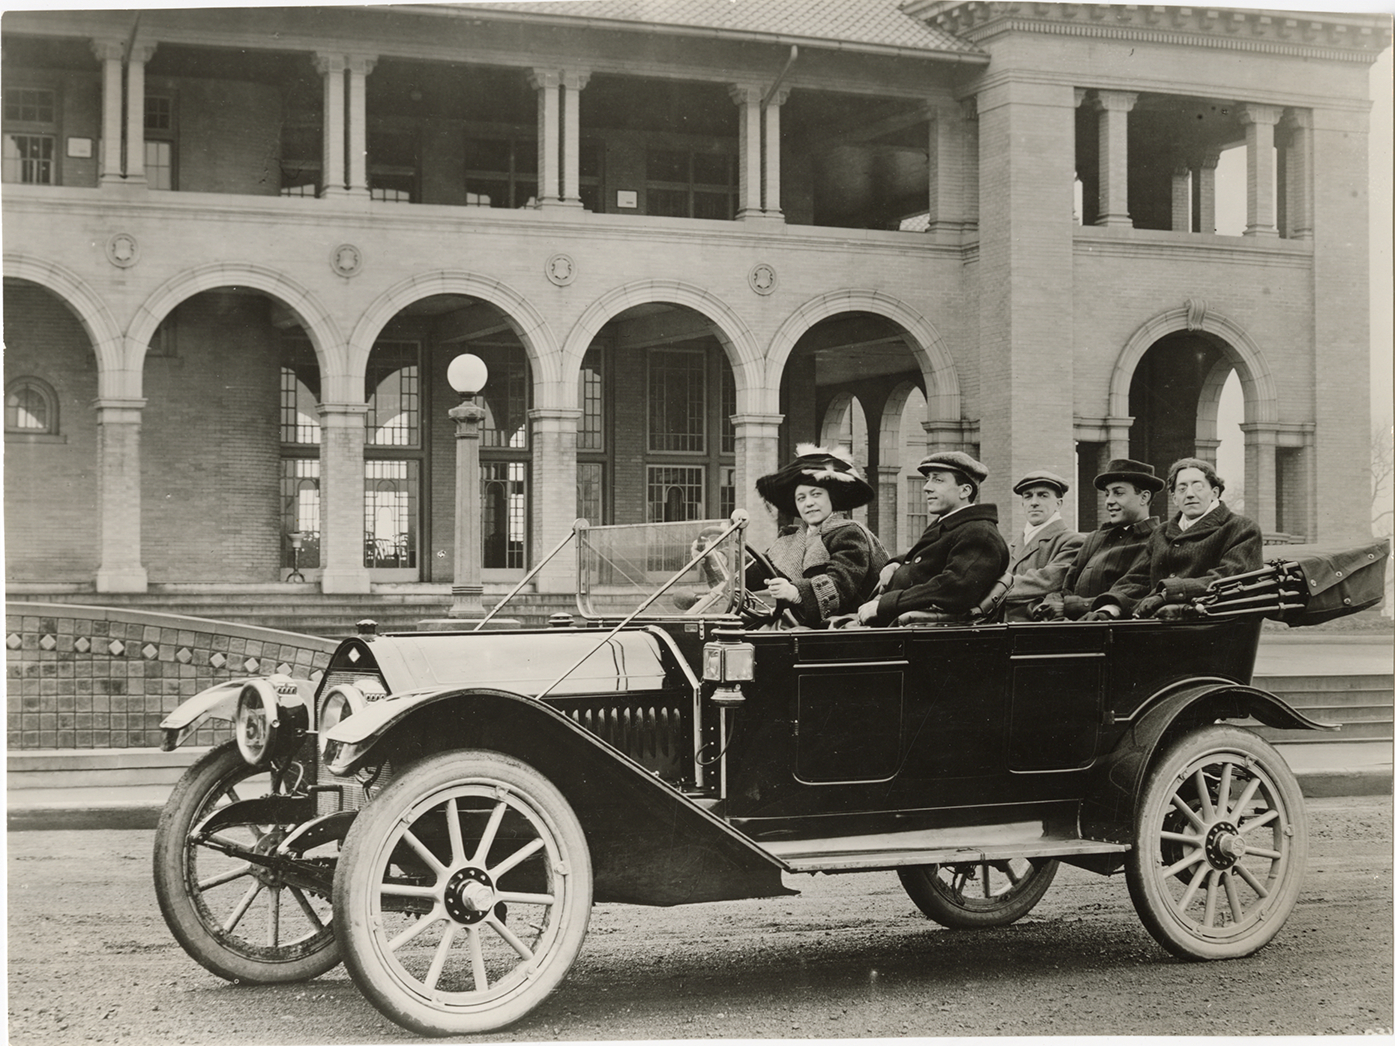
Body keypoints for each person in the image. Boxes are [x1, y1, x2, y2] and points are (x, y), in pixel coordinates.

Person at [1084, 457, 1263, 620]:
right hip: (1161, 625)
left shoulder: (1241, 528)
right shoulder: (1161, 532)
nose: (1190, 494)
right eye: (1182, 488)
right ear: (1175, 498)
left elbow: (1228, 578)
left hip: (1215, 628)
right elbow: (1138, 578)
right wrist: (1110, 608)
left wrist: (1167, 593)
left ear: (1214, 492)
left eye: (1198, 486)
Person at [855, 451, 1008, 626]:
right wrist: (895, 564)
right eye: (928, 479)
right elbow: (928, 558)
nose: (926, 487)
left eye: (938, 480)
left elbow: (954, 588)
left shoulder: (979, 533)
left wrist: (887, 604)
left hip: (918, 633)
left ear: (965, 490)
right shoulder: (952, 525)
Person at [754, 445, 889, 627]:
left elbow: (840, 584)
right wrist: (722, 561)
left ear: (831, 498)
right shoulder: (792, 539)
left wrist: (795, 592)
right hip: (810, 625)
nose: (808, 503)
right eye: (801, 498)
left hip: (849, 626)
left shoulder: (850, 533)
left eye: (816, 494)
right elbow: (759, 569)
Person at [1033, 458, 1163, 621]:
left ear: (1144, 497)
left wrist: (1069, 607)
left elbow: (1133, 593)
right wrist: (1051, 602)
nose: (1109, 501)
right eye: (1107, 494)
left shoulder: (1158, 539)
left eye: (1118, 493)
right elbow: (1067, 585)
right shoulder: (1095, 538)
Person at [1001, 470, 1083, 622]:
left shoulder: (1072, 541)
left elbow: (1047, 581)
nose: (1034, 502)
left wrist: (995, 590)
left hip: (1036, 628)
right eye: (1028, 496)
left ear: (1058, 504)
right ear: (1022, 503)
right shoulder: (1009, 546)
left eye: (1043, 495)